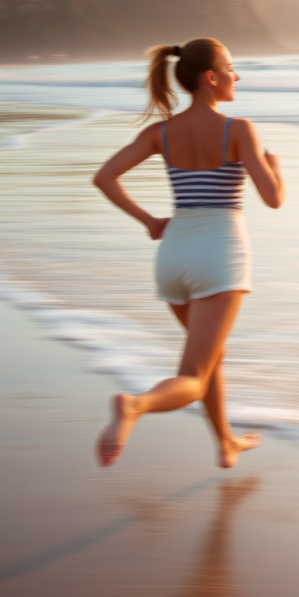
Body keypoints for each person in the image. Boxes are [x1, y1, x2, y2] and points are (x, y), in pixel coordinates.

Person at [92, 38, 285, 469]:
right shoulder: (240, 130)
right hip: (219, 256)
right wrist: (275, 167)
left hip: (173, 256)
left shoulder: (161, 132)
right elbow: (273, 198)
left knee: (210, 357)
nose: (237, 77)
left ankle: (227, 442)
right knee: (193, 378)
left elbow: (104, 177)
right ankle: (135, 406)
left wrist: (149, 222)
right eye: (232, 69)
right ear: (211, 77)